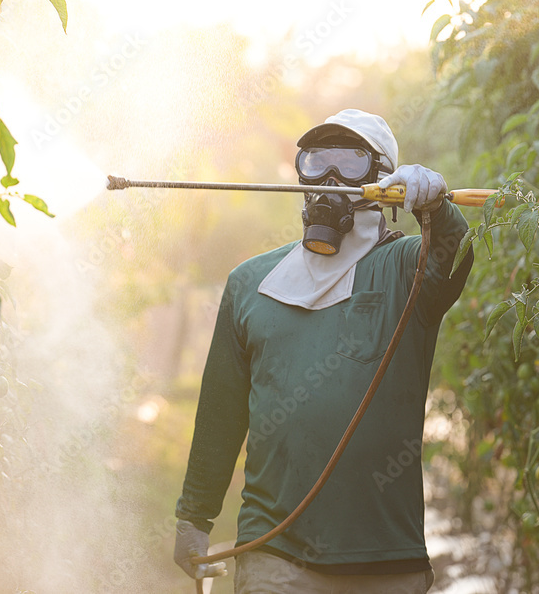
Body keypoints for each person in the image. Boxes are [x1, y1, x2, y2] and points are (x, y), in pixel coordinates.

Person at [173, 109, 474, 593]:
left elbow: (454, 255)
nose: (330, 178)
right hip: (273, 554)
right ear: (300, 173)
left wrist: (436, 206)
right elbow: (220, 412)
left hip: (387, 559)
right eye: (317, 161)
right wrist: (194, 517)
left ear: (382, 179)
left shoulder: (404, 268)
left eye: (349, 162)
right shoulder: (250, 283)